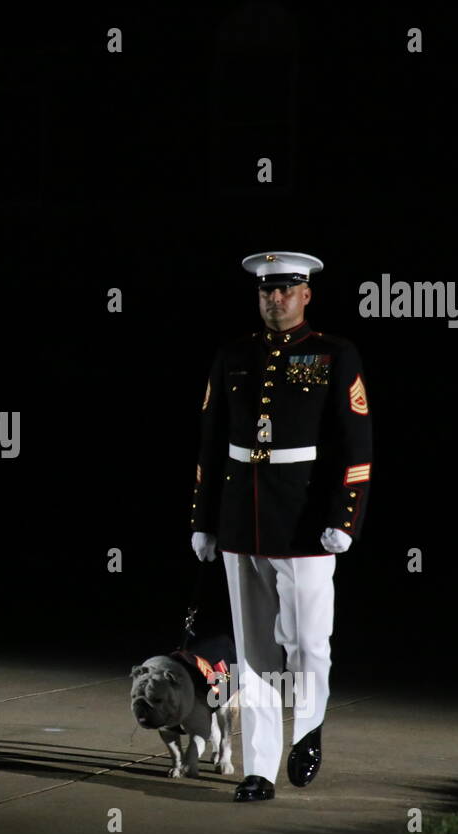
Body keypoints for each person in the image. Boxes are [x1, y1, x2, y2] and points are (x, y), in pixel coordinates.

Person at [190, 252, 372, 802]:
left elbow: (356, 442)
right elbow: (209, 439)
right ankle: (259, 768)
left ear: (307, 293)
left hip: (306, 520)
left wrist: (345, 516)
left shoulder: (334, 354)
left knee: (309, 644)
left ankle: (309, 728)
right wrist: (203, 519)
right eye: (267, 291)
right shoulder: (234, 355)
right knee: (254, 652)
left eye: (287, 289)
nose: (276, 299)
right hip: (241, 518)